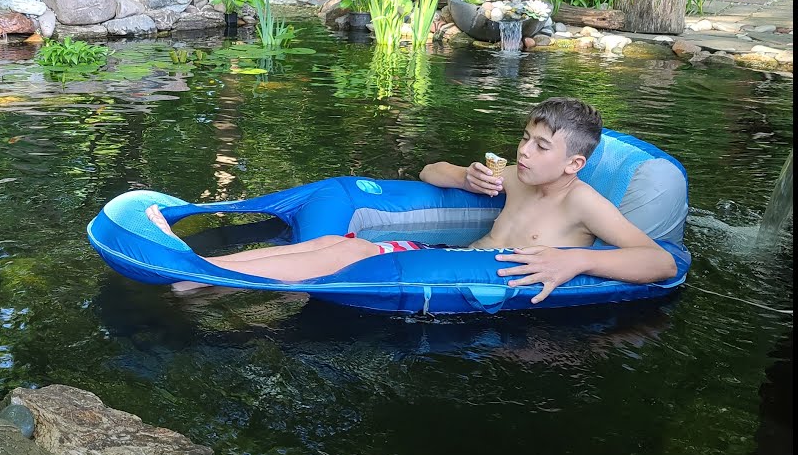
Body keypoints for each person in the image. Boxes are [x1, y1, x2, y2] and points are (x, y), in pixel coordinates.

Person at [144, 97, 678, 304]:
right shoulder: (516, 179)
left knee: (344, 254)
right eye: (524, 138)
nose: (523, 151)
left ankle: (202, 277)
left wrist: (576, 259)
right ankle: (203, 272)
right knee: (335, 242)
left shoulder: (582, 204)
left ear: (573, 164)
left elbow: (657, 259)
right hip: (457, 258)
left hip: (469, 277)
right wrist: (465, 176)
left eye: (540, 146)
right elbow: (427, 171)